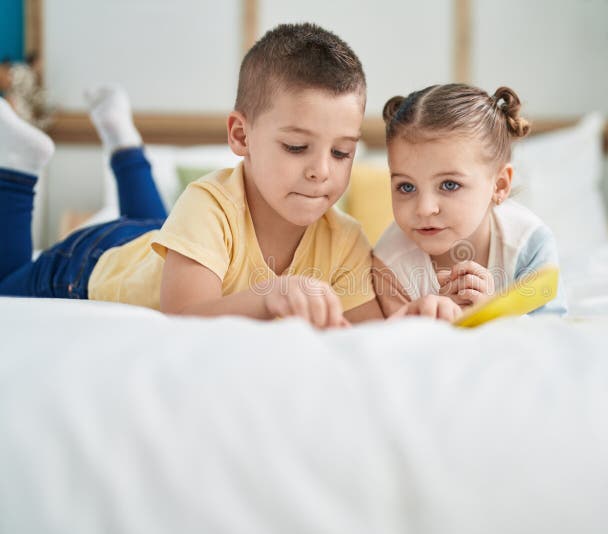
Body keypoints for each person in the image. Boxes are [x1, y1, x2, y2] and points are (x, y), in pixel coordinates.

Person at [0, 23, 383, 329]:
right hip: (89, 264)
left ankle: (124, 142)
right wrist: (271, 296)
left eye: (341, 152)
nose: (321, 171)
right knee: (7, 287)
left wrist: (414, 317)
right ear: (240, 135)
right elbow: (182, 318)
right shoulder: (209, 204)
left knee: (155, 224)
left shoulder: (345, 238)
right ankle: (20, 168)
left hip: (160, 241)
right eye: (297, 147)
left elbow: (366, 332)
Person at [373, 83, 567, 320]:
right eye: (406, 187)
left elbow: (553, 335)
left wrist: (496, 312)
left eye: (449, 185)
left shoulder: (529, 245)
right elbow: (391, 347)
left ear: (499, 186)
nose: (424, 209)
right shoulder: (390, 262)